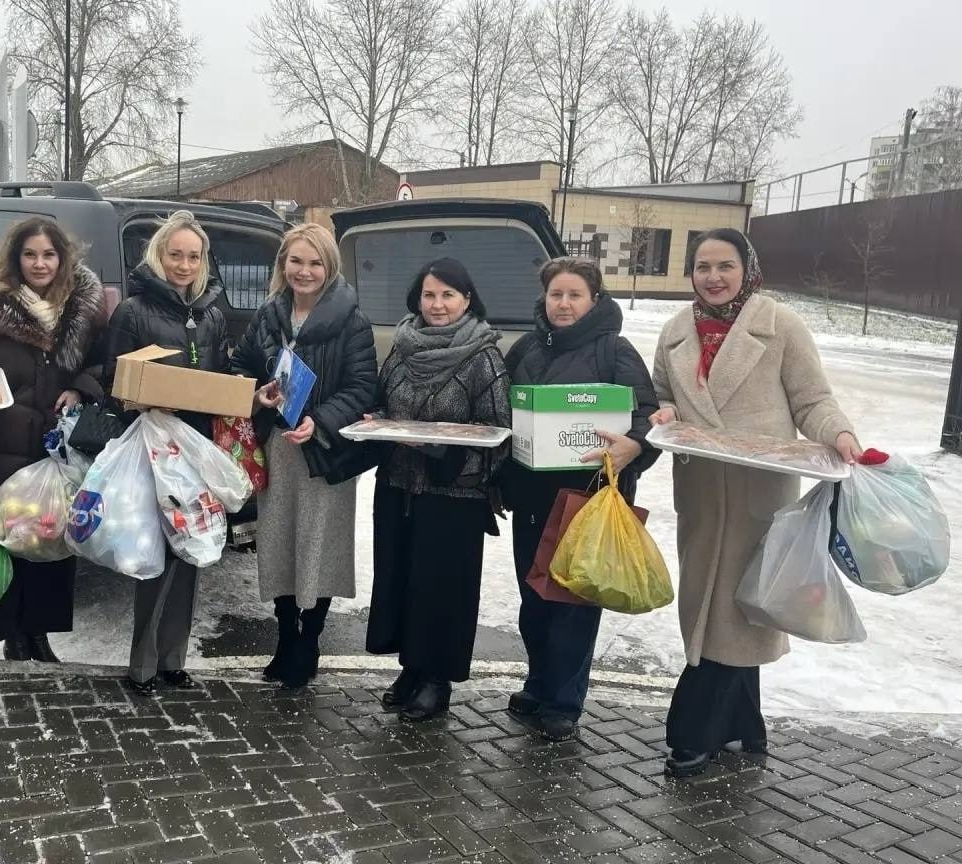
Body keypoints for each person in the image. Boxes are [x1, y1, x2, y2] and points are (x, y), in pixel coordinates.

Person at [650, 228, 861, 778]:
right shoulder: (675, 332)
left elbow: (812, 399)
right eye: (702, 267)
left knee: (740, 606)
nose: (713, 277)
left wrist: (840, 437)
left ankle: (690, 734)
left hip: (759, 494)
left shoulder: (780, 325)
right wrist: (667, 413)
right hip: (700, 493)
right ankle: (746, 726)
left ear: (747, 268)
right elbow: (662, 395)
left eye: (725, 266)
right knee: (717, 606)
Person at [500, 257, 660, 741]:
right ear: (544, 299)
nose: (563, 304)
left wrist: (636, 444)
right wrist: (497, 482)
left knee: (574, 599)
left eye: (574, 295)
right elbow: (503, 416)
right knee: (534, 597)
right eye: (556, 295)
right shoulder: (527, 349)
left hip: (587, 497)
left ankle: (564, 702)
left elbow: (648, 417)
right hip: (532, 497)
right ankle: (538, 681)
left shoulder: (615, 351)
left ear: (595, 300)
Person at [0, 216, 105, 664]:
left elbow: (101, 364)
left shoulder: (81, 308)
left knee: (51, 540)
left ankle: (39, 634)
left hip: (55, 448)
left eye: (49, 254)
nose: (40, 263)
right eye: (30, 254)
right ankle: (13, 634)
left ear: (62, 258)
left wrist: (81, 388)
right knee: (10, 539)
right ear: (16, 258)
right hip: (3, 448)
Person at [231, 222, 377, 689]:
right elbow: (241, 365)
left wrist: (323, 421)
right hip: (278, 447)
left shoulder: (352, 320)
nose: (304, 271)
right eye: (296, 261)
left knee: (316, 548)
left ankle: (308, 642)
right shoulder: (269, 314)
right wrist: (261, 395)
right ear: (283, 264)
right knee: (279, 547)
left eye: (315, 262)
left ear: (329, 266)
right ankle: (283, 639)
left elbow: (362, 387)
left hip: (323, 452)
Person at [365, 258, 511, 722]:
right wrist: (376, 422)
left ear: (467, 299)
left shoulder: (483, 356)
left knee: (442, 589)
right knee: (402, 580)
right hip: (398, 486)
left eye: (448, 295)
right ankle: (411, 667)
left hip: (454, 496)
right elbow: (385, 399)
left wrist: (439, 448)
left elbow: (498, 433)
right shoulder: (403, 347)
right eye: (430, 294)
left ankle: (436, 680)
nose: (438, 304)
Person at [102, 211, 229, 696]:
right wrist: (145, 398)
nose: (183, 264)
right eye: (175, 254)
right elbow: (112, 384)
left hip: (196, 448)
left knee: (191, 553)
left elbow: (220, 376)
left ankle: (174, 659)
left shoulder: (213, 313)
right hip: (152, 448)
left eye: (193, 256)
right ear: (159, 255)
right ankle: (143, 665)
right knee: (155, 558)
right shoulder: (132, 313)